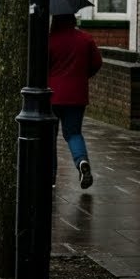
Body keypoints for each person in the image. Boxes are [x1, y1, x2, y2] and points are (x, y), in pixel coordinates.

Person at [48, 13, 103, 190]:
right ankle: (82, 161)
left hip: (52, 95)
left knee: (50, 137)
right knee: (73, 133)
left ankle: (51, 178)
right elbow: (97, 62)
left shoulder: (50, 40)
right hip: (77, 95)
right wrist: (83, 76)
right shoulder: (86, 39)